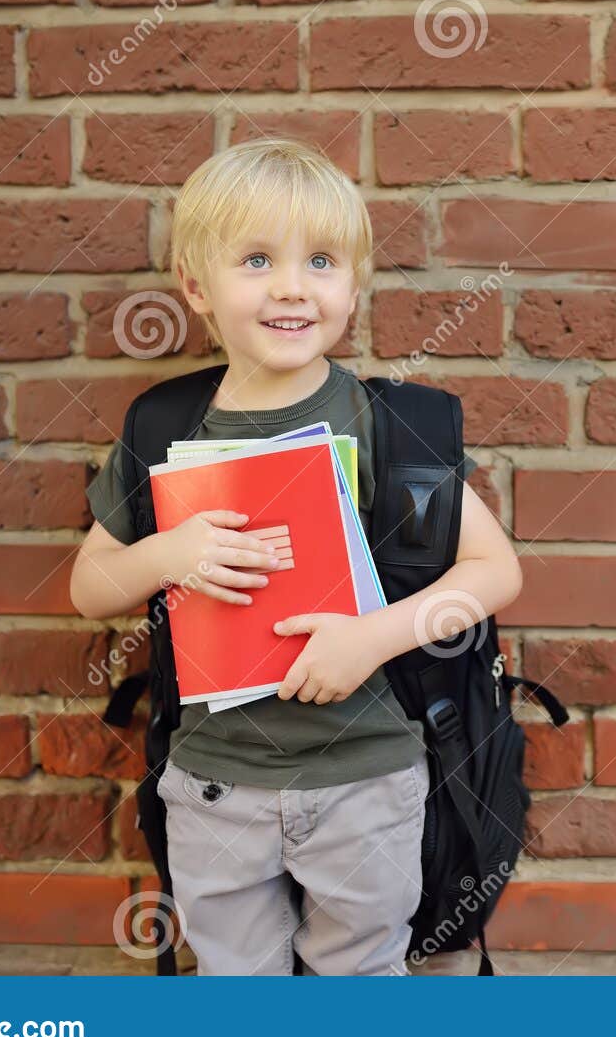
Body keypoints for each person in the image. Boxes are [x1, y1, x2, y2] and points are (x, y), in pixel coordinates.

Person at [68, 137, 523, 975]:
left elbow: (496, 573)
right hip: (214, 783)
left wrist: (373, 638)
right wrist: (168, 551)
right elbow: (89, 585)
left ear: (354, 284)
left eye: (320, 260)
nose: (291, 286)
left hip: (369, 778)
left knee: (360, 981)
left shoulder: (392, 428)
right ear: (197, 288)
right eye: (256, 260)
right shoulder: (166, 430)